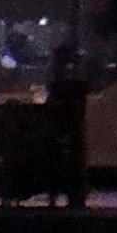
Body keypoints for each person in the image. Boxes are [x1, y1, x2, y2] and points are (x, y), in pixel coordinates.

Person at [39, 33, 91, 210]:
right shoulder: (74, 78)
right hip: (68, 123)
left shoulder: (63, 79)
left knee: (63, 157)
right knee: (68, 157)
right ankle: (71, 195)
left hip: (64, 122)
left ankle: (64, 194)